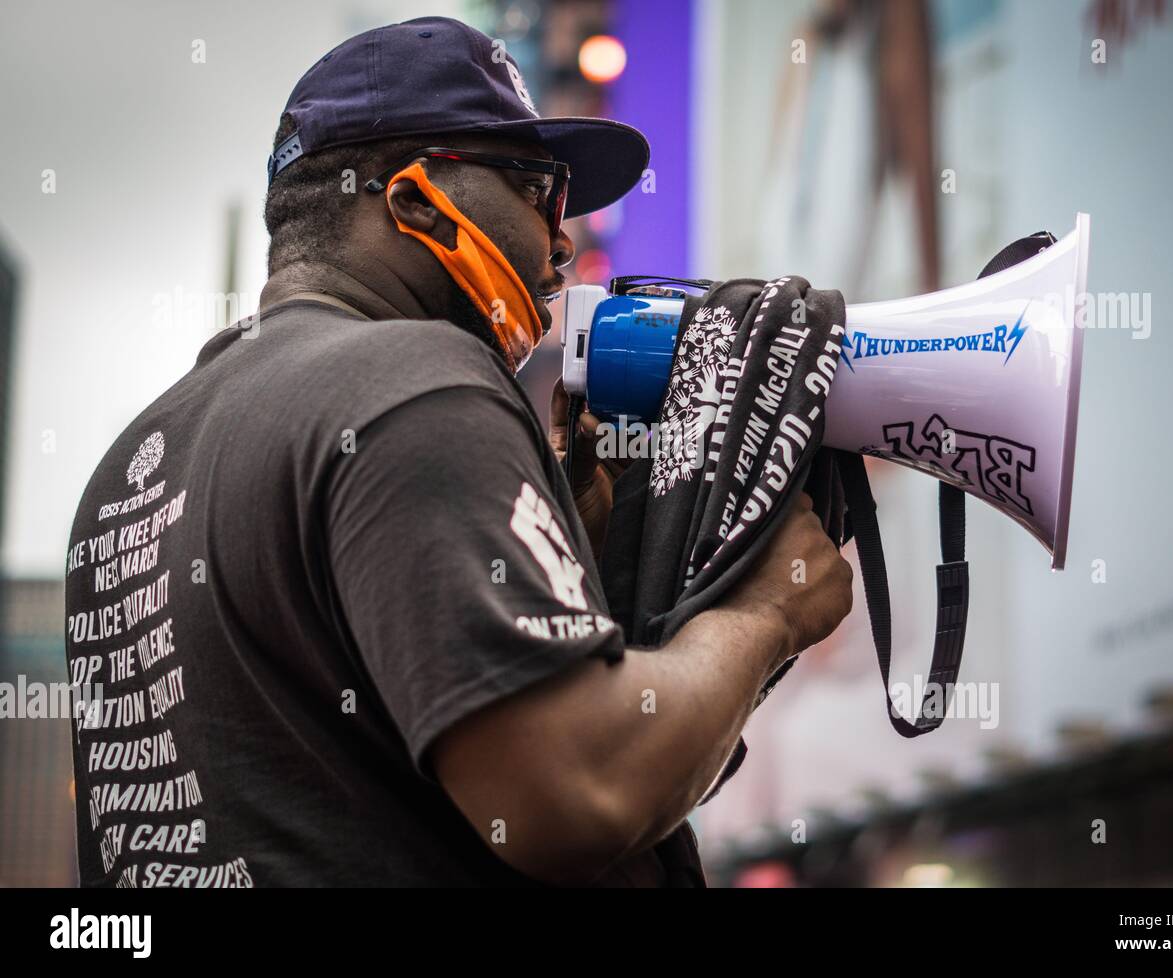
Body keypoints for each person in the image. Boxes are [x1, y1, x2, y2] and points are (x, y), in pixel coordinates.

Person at [62, 16, 853, 887]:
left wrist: (567, 565)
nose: (560, 244)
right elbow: (579, 793)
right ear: (406, 199)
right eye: (535, 192)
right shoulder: (417, 380)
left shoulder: (126, 465)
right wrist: (761, 617)